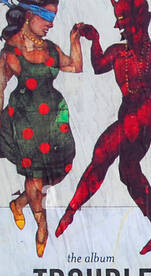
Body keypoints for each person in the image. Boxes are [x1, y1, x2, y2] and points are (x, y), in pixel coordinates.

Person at [53, 0, 151, 255]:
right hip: (129, 118)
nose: (131, 32)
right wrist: (95, 40)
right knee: (126, 170)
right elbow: (99, 65)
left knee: (105, 152)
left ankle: (70, 212)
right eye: (126, 27)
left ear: (142, 24)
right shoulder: (118, 53)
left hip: (148, 116)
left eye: (134, 26)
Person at [1, 0, 83, 258]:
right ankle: (42, 227)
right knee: (35, 176)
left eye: (53, 18)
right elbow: (0, 86)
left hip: (55, 118)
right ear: (29, 16)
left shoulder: (49, 47)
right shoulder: (11, 51)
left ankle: (20, 202)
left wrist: (74, 40)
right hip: (27, 120)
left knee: (60, 168)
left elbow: (75, 66)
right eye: (47, 18)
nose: (51, 24)